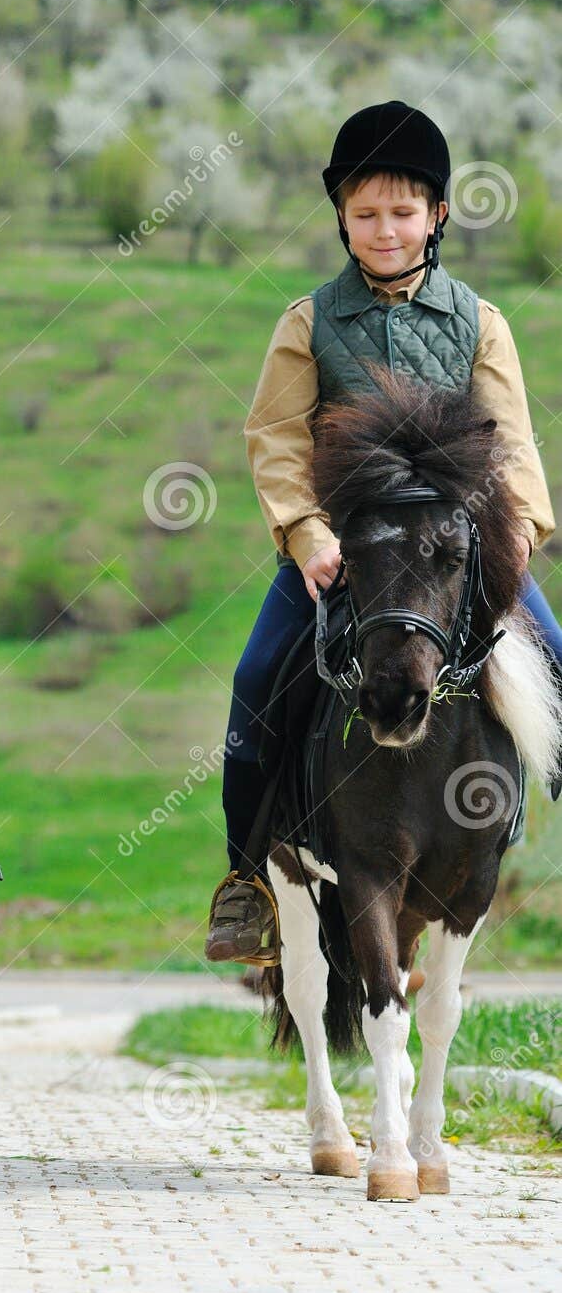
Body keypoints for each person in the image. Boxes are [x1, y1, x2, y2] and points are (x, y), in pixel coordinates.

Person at [205, 99, 562, 966]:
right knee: (255, 685)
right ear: (341, 218)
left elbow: (510, 445)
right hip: (343, 556)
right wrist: (307, 535)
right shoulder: (307, 322)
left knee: (556, 656)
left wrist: (514, 543)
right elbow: (277, 441)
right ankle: (245, 880)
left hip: (458, 556)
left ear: (436, 215)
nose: (384, 230)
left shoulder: (479, 323)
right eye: (364, 214)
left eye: (401, 212)